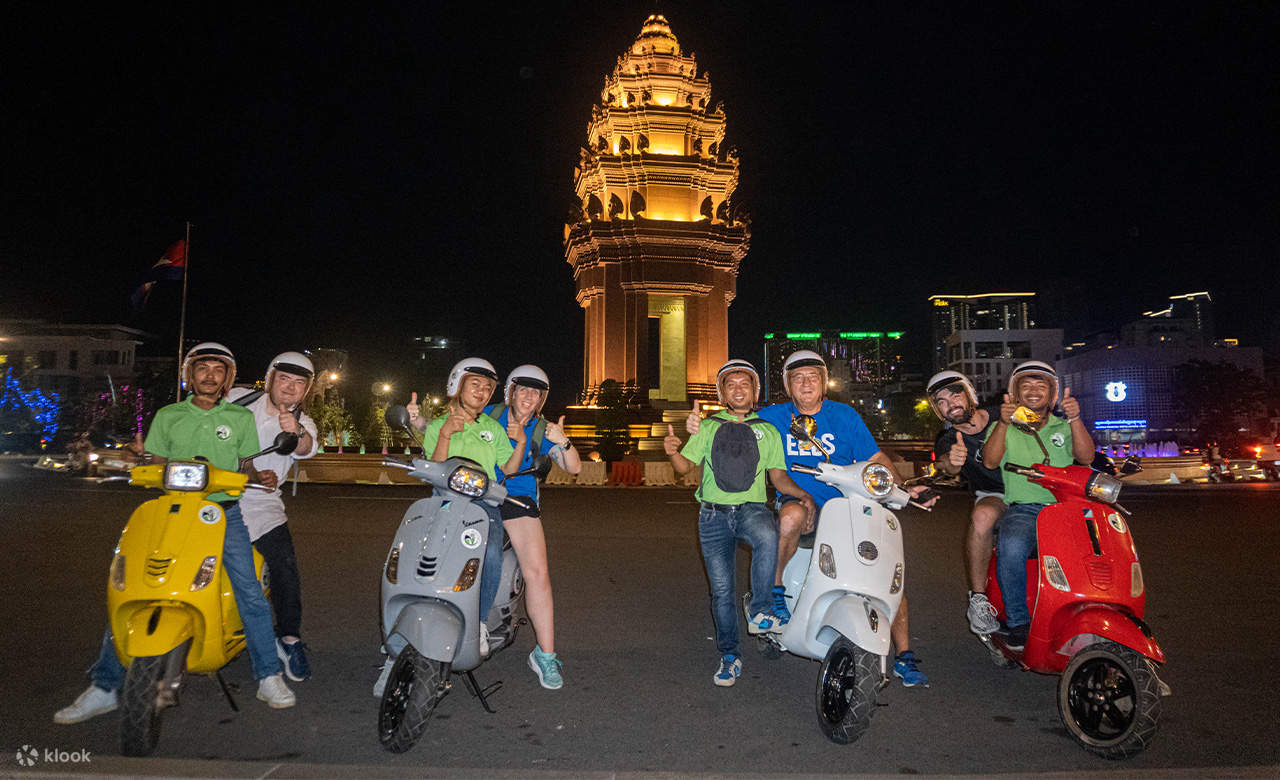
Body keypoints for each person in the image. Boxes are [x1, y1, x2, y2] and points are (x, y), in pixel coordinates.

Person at [54, 343, 295, 725]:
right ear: (190, 373)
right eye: (203, 368)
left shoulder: (238, 417)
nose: (210, 375)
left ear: (227, 378)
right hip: (171, 510)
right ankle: (104, 686)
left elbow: (245, 464)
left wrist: (258, 476)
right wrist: (138, 459)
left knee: (249, 592)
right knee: (133, 584)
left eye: (219, 369)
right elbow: (157, 461)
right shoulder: (168, 416)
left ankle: (268, 675)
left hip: (222, 513)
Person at [692, 350, 934, 687]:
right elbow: (739, 416)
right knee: (789, 516)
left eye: (813, 377)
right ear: (788, 387)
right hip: (800, 506)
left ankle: (905, 654)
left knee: (886, 572)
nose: (806, 383)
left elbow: (876, 457)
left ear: (824, 383)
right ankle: (774, 596)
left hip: (848, 509)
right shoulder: (776, 416)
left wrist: (904, 488)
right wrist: (698, 426)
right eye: (798, 378)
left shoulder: (845, 416)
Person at [665, 359, 813, 687]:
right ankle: (730, 655)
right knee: (721, 591)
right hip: (712, 515)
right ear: (722, 393)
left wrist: (802, 495)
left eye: (744, 383)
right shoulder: (708, 426)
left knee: (767, 534)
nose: (738, 389)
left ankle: (761, 608)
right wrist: (672, 450)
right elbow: (683, 468)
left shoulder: (768, 430)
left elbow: (777, 475)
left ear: (754, 390)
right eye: (730, 385)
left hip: (750, 509)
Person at [981, 360, 1095, 651]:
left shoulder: (1063, 425)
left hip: (1068, 507)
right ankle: (1019, 622)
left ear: (1052, 393)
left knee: (1098, 546)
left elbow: (1085, 457)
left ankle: (1089, 613)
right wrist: (1005, 423)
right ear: (1016, 393)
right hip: (1025, 508)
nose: (1033, 391)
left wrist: (1075, 419)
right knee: (1012, 545)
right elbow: (991, 461)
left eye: (1041, 385)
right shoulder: (1002, 425)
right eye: (1026, 386)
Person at [483, 365, 581, 690]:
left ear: (542, 399)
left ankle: (546, 655)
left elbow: (575, 468)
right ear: (511, 391)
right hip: (478, 491)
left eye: (536, 393)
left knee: (538, 573)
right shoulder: (487, 414)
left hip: (518, 497)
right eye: (523, 390)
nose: (529, 397)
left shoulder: (543, 429)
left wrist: (563, 441)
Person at [226, 351, 320, 682]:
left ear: (306, 390)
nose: (290, 388)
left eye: (299, 383)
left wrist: (294, 430)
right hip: (213, 493)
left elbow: (306, 447)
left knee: (284, 564)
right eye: (284, 379)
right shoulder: (237, 399)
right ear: (270, 378)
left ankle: (289, 638)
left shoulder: (303, 422)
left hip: (260, 503)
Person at [926, 370, 1004, 636]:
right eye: (942, 402)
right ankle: (979, 599)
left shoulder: (1002, 415)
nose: (951, 405)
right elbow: (945, 465)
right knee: (981, 517)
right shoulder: (949, 439)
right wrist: (951, 462)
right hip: (995, 494)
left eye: (955, 395)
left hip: (1037, 488)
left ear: (970, 393)